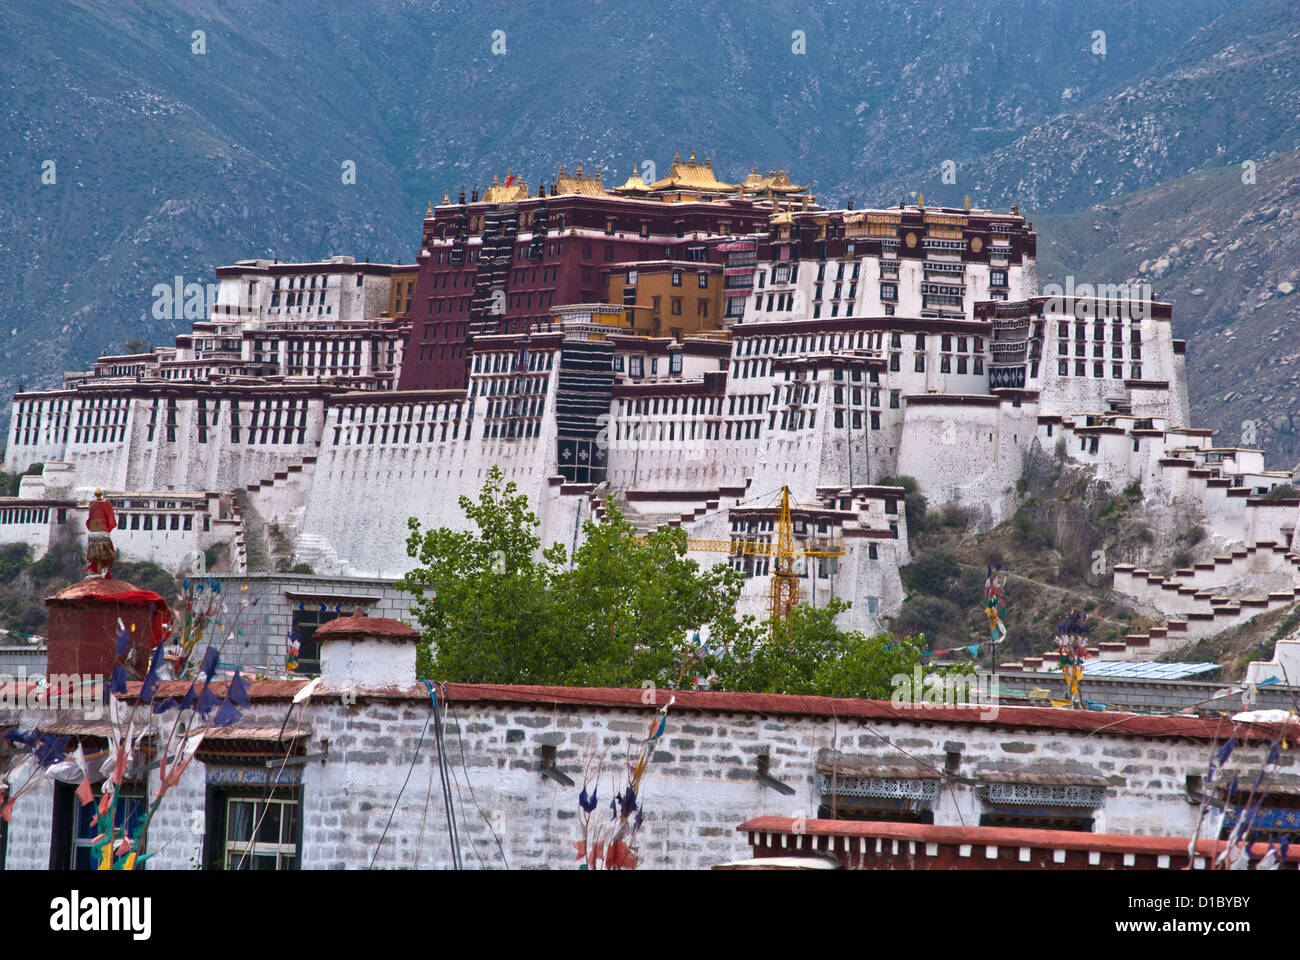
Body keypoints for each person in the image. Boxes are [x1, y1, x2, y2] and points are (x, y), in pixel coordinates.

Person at [85, 487, 117, 577]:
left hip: (93, 532)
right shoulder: (106, 503)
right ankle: (102, 571)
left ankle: (98, 571)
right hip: (103, 531)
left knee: (95, 553)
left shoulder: (92, 503)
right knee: (107, 552)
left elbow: (90, 517)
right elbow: (109, 516)